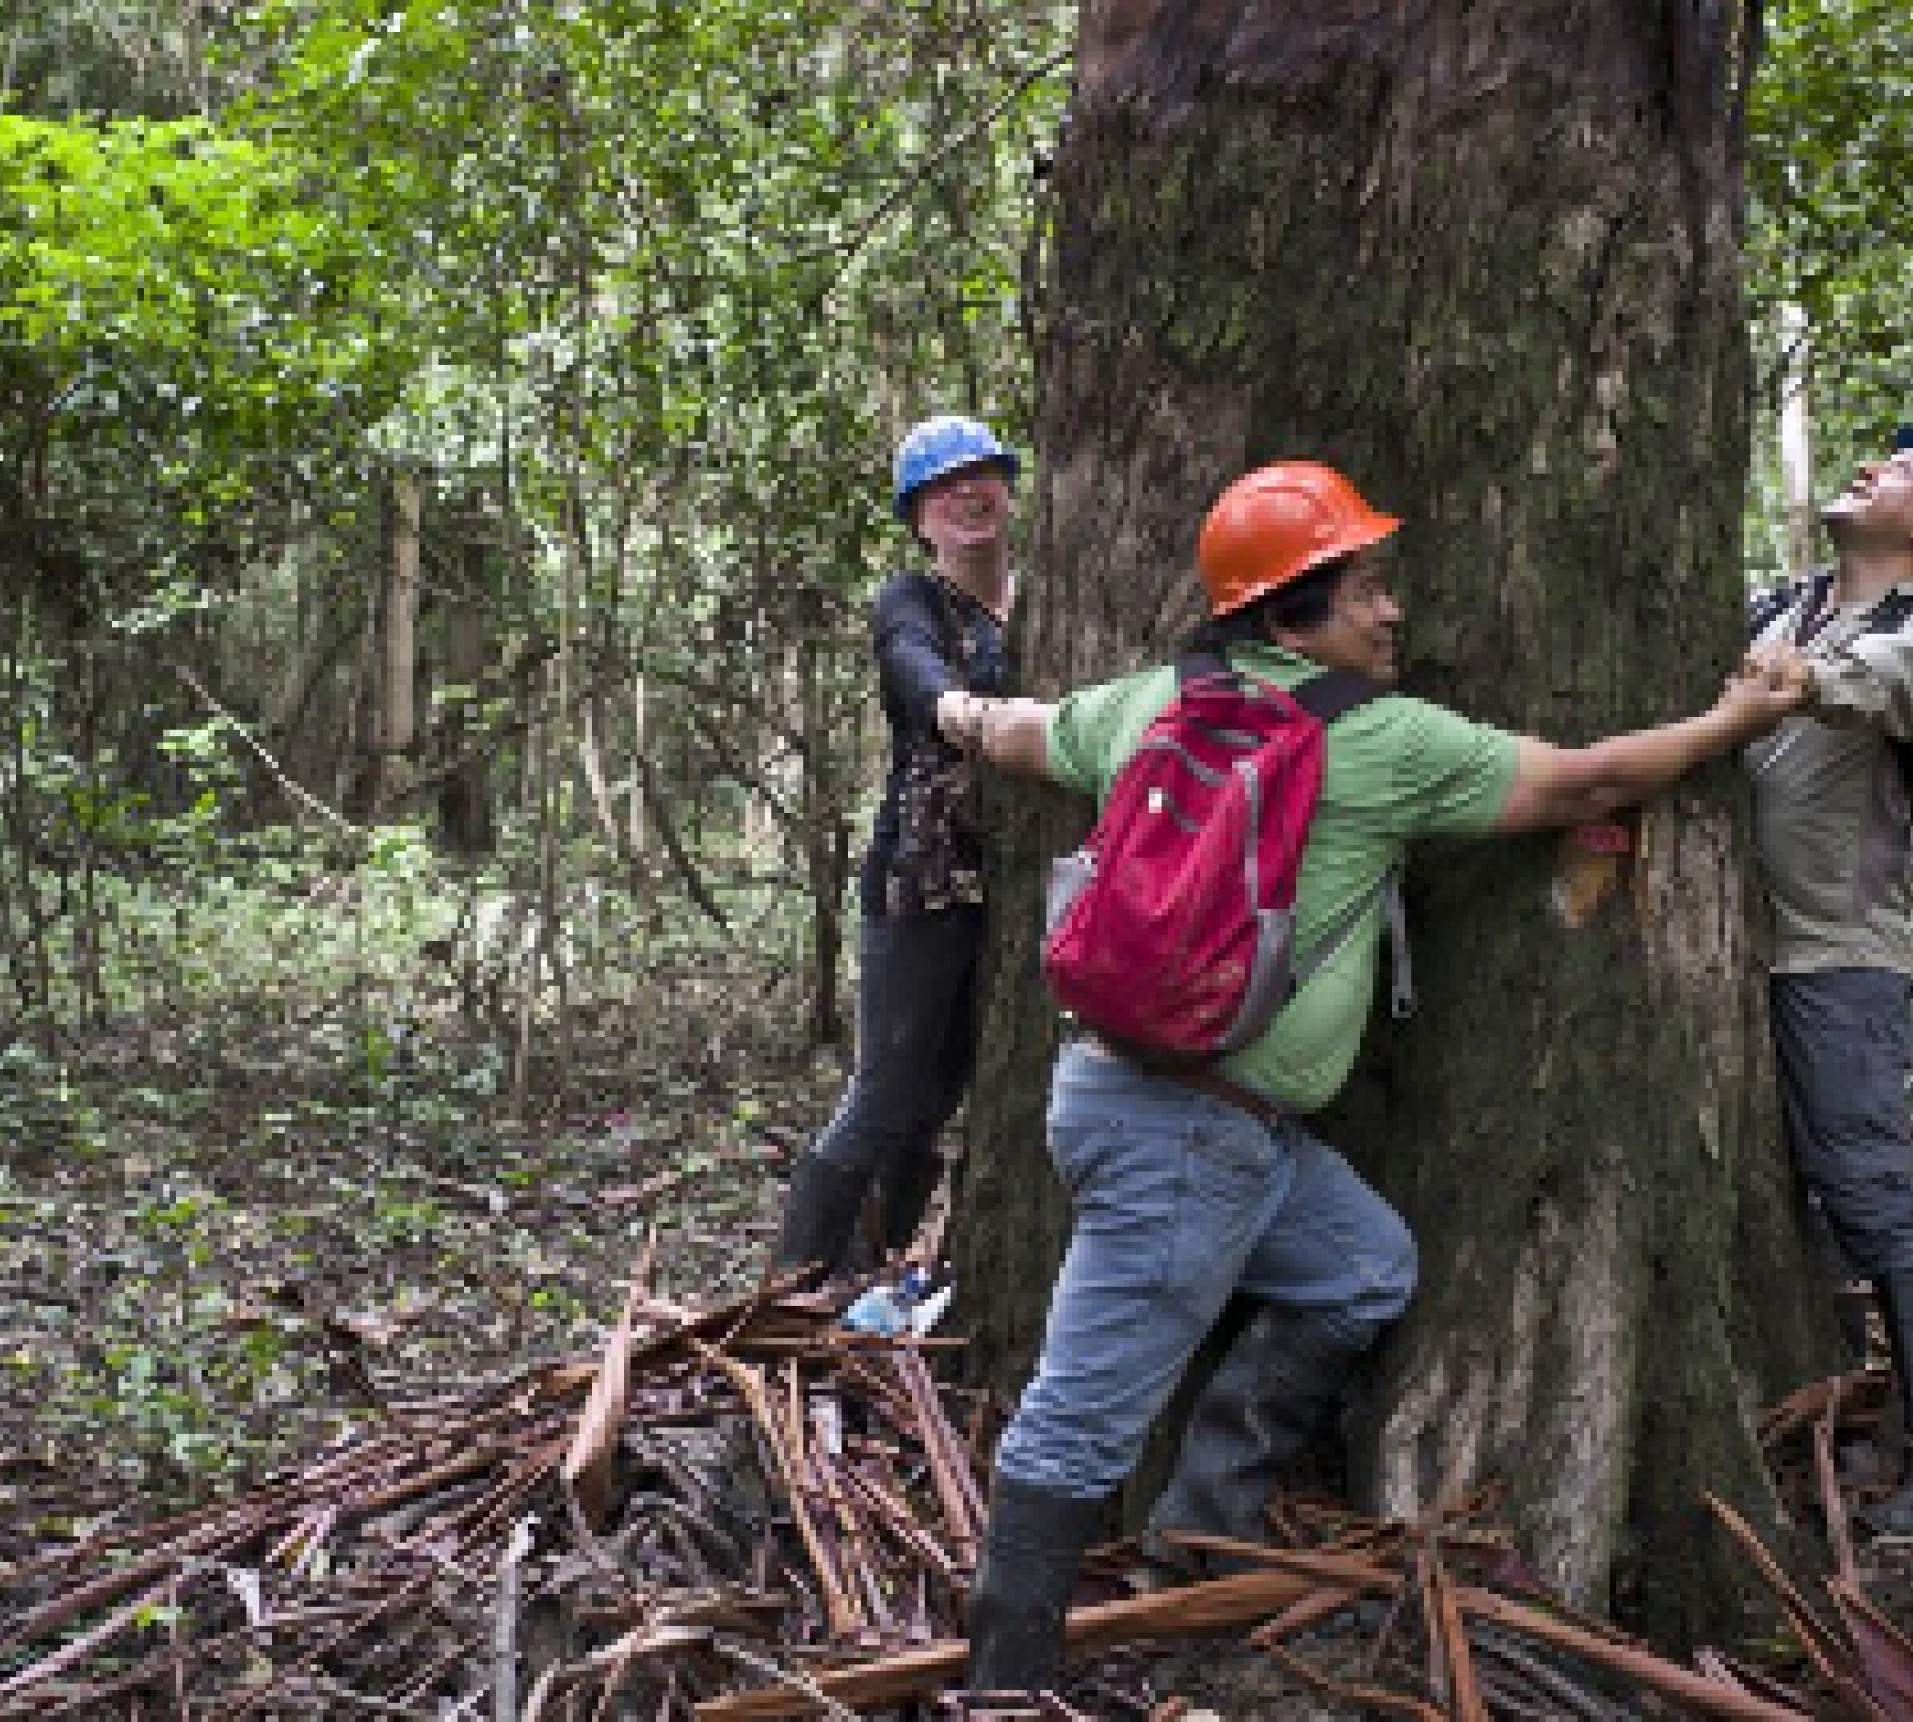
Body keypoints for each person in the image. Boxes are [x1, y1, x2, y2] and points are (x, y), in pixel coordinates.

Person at [930, 460, 1813, 1696]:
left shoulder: (1154, 701)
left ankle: (1201, 1534)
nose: (1394, 611)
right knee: (1080, 1415)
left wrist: (955, 714)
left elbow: (1029, 735)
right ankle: (1003, 1684)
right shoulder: (1382, 741)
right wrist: (1736, 722)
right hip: (1187, 1138)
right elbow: (1591, 783)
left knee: (1363, 1268)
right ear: (1293, 613)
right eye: (1364, 590)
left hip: (1166, 1112)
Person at [1739, 425, 1913, 1543]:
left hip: (1840, 956)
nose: (1870, 469)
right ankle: (1832, 1409)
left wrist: (1794, 677)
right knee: (1793, 1194)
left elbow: (1868, 689)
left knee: (1866, 1191)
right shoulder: (1785, 605)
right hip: (1750, 951)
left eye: (1900, 472)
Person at [767, 415, 1021, 1290]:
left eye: (981, 474)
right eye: (943, 487)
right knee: (884, 1095)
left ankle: (868, 1280)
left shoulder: (1050, 597)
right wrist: (960, 711)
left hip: (1011, 887)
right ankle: (792, 1287)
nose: (967, 493)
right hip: (922, 883)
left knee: (939, 1099)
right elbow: (911, 666)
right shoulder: (912, 599)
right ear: (919, 517)